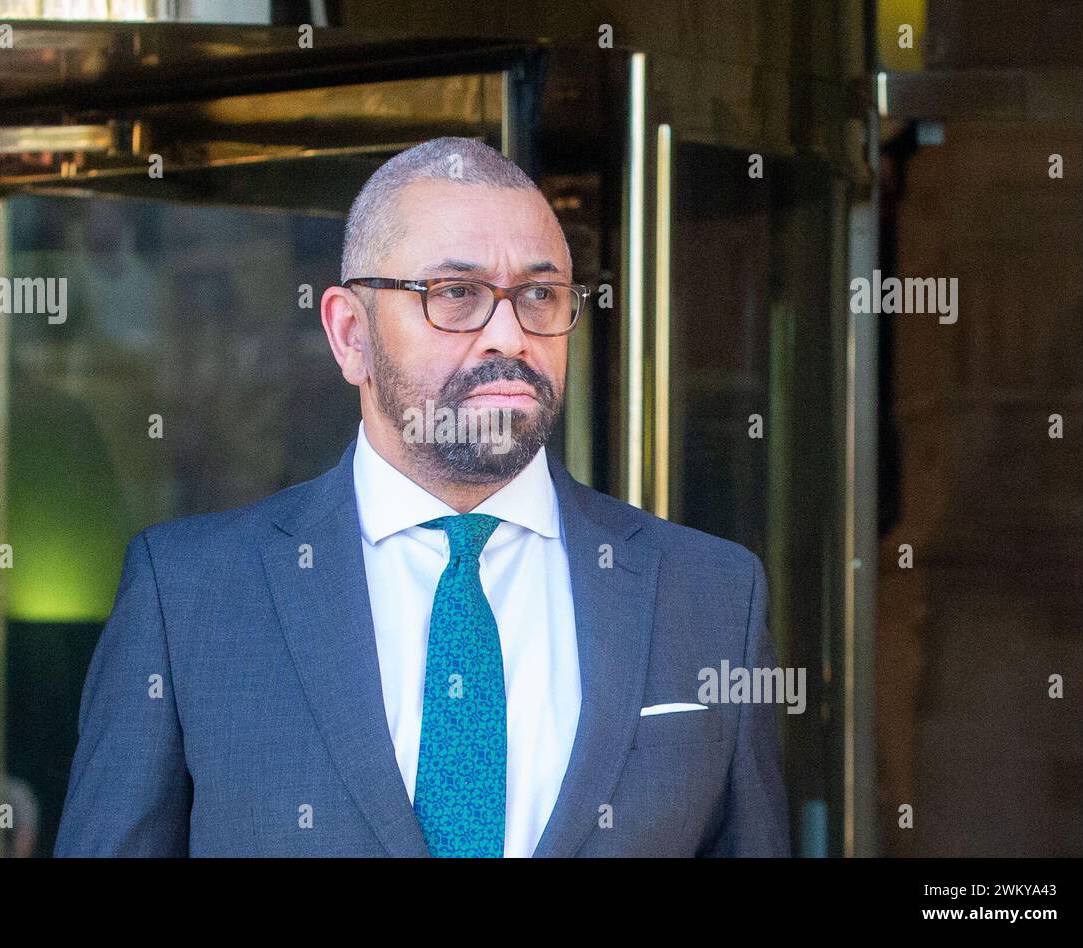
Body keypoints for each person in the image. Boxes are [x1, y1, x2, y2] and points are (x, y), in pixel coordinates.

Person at [54, 136, 790, 857]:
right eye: (456, 294)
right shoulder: (188, 597)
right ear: (351, 336)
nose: (510, 334)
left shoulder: (715, 598)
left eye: (539, 294)